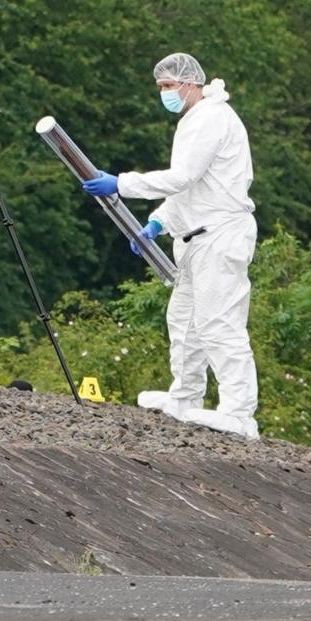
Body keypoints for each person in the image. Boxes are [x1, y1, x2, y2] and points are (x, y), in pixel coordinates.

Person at [82, 52, 259, 440]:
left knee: (219, 323)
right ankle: (185, 396)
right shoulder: (195, 119)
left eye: (168, 86)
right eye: (160, 87)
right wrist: (160, 222)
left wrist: (122, 184)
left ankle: (240, 412)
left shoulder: (211, 118)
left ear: (190, 83)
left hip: (221, 235)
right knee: (184, 320)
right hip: (197, 236)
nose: (164, 93)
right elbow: (197, 188)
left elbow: (183, 177)